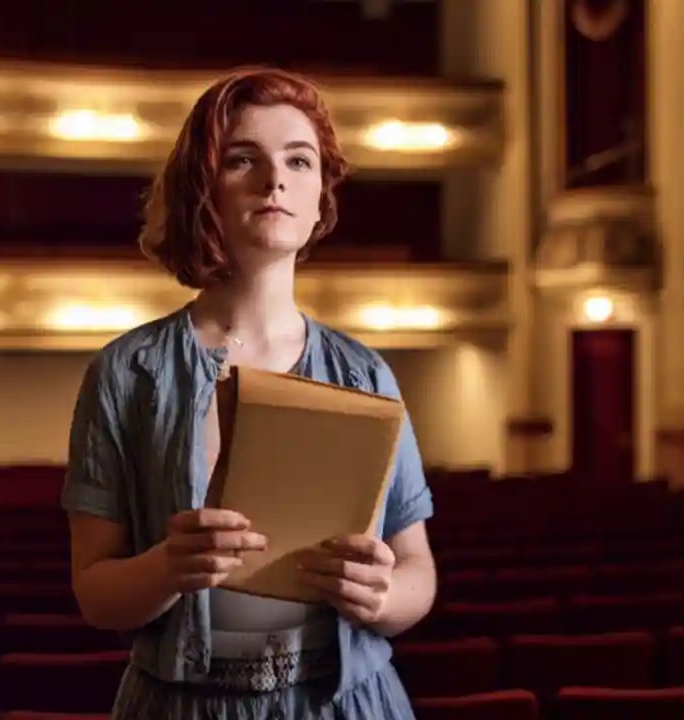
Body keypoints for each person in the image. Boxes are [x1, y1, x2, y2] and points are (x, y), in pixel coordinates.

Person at [62, 66, 437, 719]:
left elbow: (417, 573)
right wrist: (168, 568)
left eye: (299, 160)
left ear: (321, 194)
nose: (276, 180)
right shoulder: (126, 373)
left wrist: (381, 596)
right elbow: (95, 593)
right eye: (243, 160)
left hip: (345, 701)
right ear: (201, 189)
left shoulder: (366, 371)